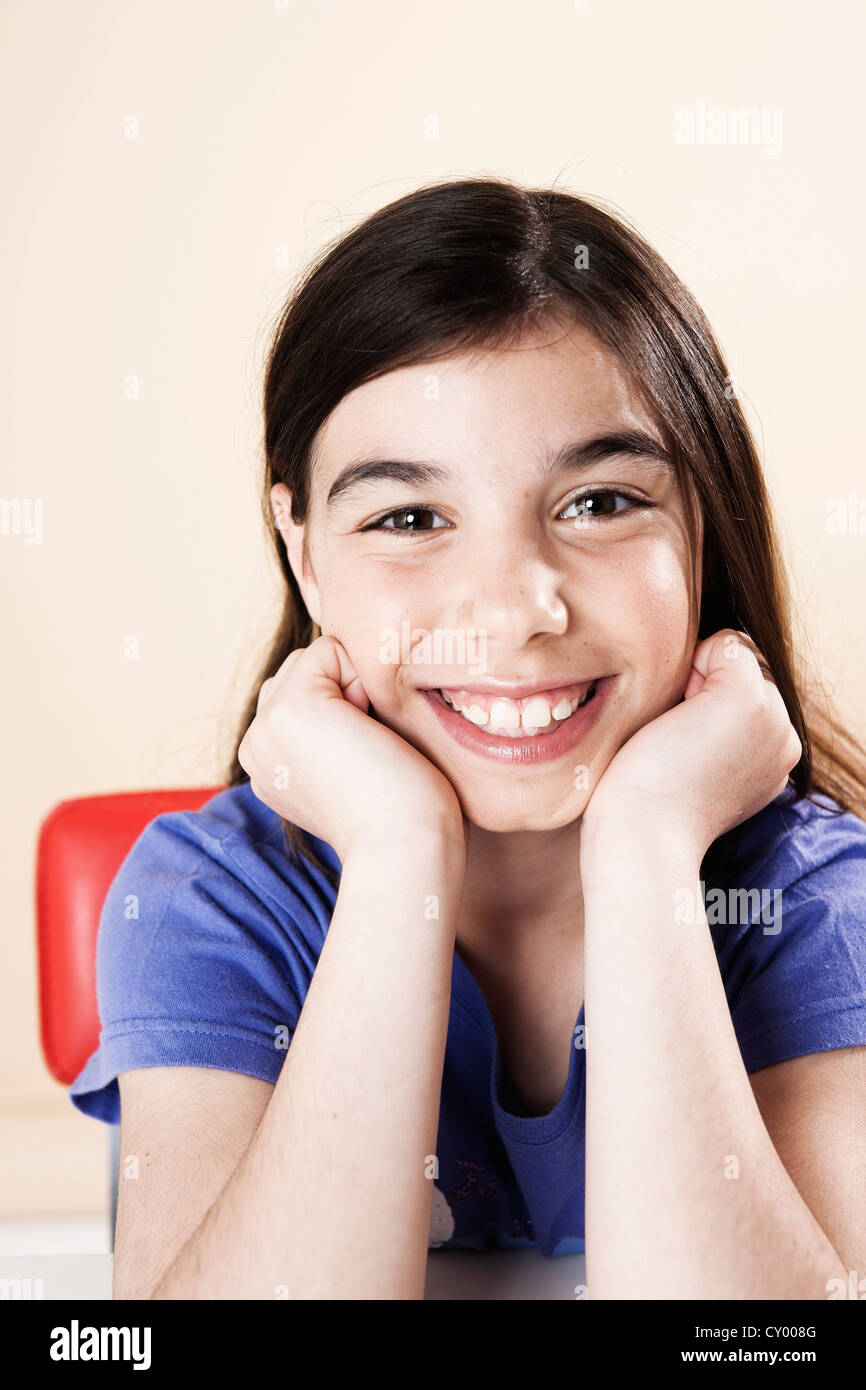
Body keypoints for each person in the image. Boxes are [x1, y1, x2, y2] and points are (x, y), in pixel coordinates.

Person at [69, 176, 866, 1300]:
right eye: (407, 518)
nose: (512, 609)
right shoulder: (212, 898)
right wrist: (399, 858)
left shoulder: (813, 904)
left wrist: (646, 848)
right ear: (302, 551)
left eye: (597, 501)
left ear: (702, 521)